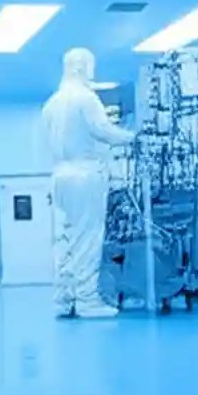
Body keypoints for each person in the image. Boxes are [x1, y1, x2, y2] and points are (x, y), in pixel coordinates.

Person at [43, 48, 136, 319]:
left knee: (64, 238)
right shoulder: (86, 98)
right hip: (85, 175)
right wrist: (133, 138)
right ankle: (87, 301)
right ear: (83, 67)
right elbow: (103, 131)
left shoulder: (51, 104)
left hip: (59, 176)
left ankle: (63, 299)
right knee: (87, 238)